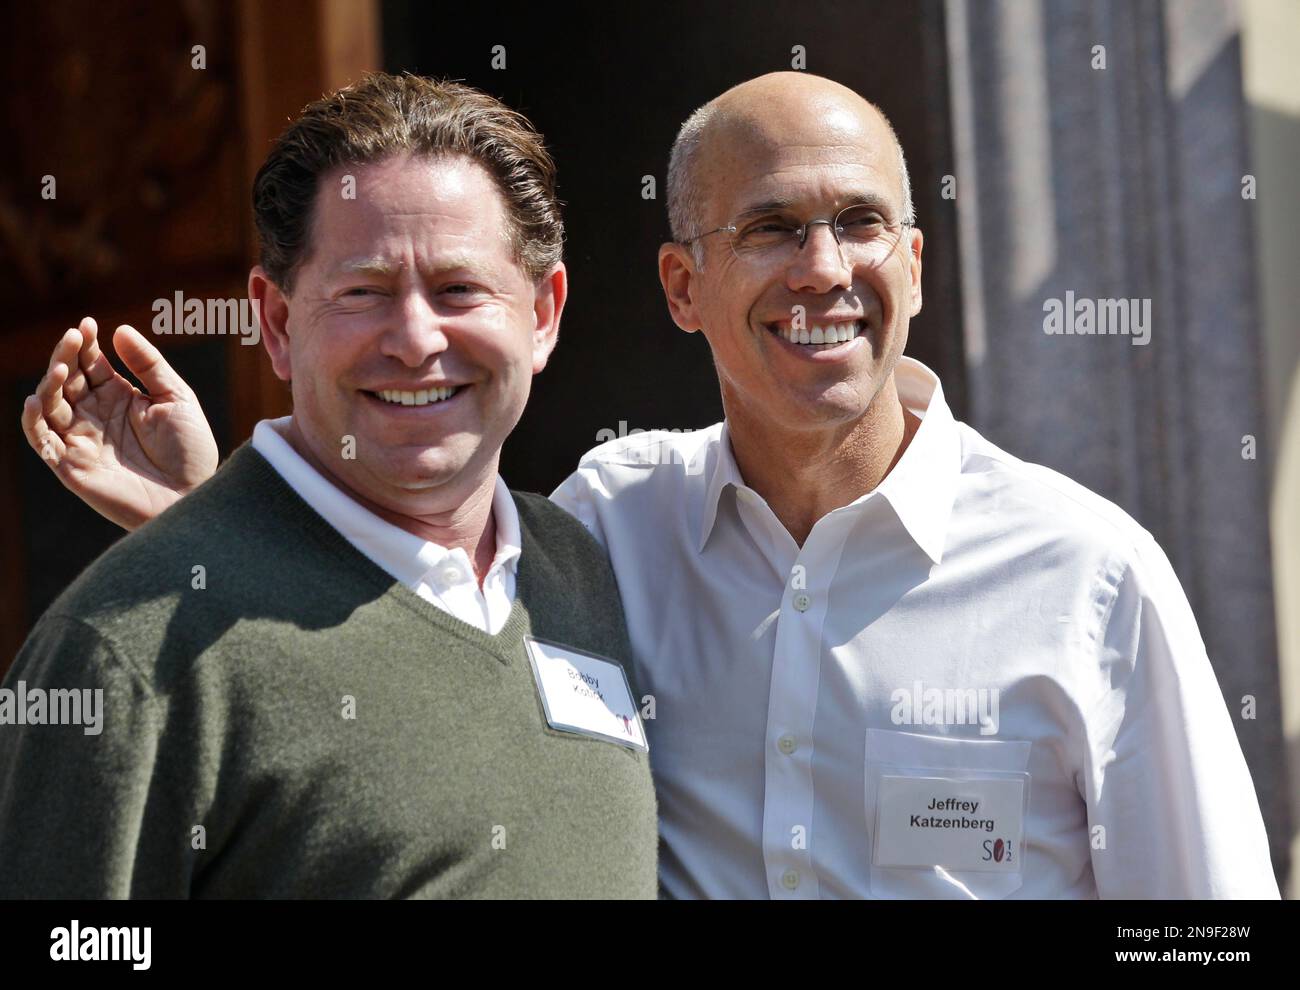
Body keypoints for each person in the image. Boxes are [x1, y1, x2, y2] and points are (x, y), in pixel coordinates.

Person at [21, 73, 1279, 900]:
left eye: (858, 224)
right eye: (772, 228)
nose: (822, 269)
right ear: (680, 289)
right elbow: (404, 587)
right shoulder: (612, 528)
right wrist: (215, 533)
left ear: (914, 259)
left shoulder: (1090, 576)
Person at [1, 73, 658, 898]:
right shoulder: (125, 649)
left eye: (458, 289)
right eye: (364, 292)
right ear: (276, 324)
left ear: (542, 314)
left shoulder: (580, 564)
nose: (416, 340)